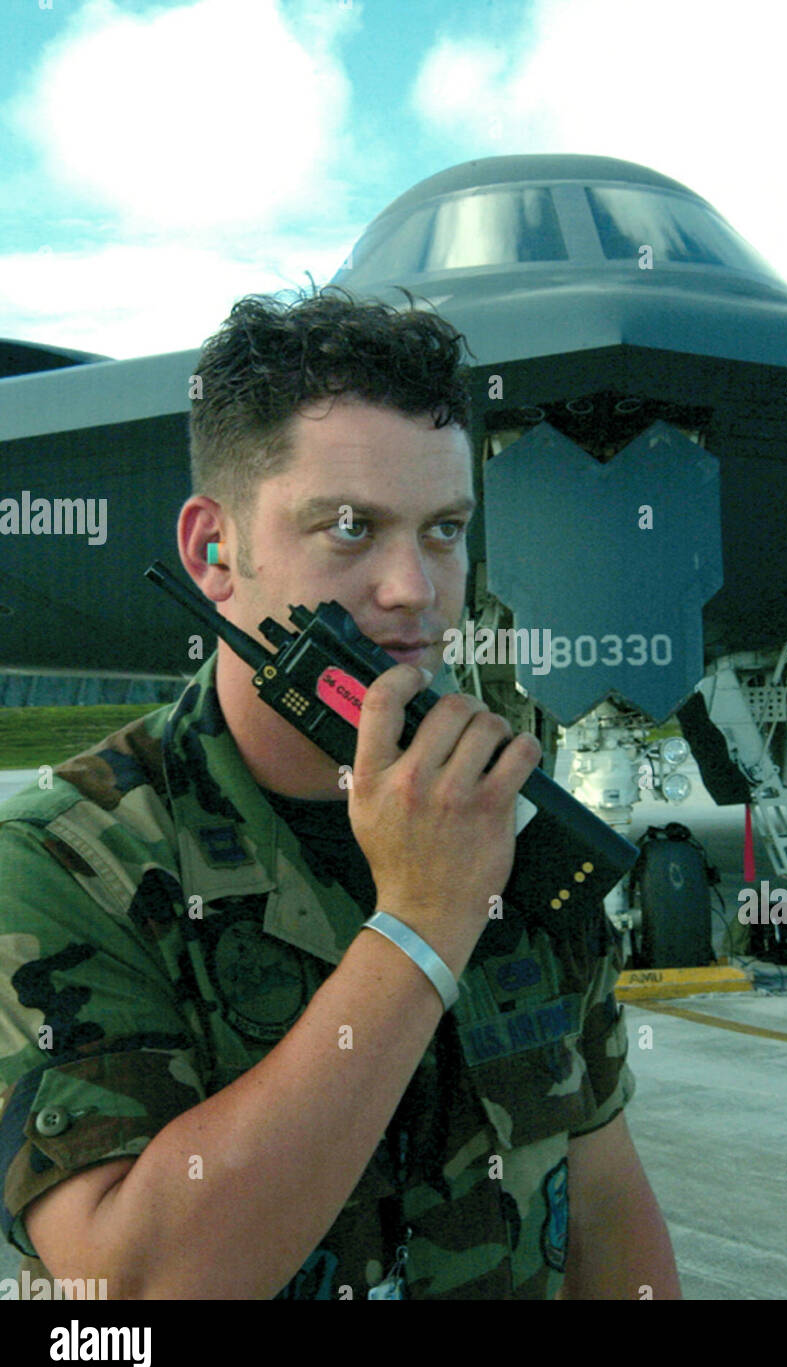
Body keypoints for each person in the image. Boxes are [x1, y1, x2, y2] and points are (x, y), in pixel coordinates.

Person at [0, 286, 680, 1300]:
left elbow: (603, 1204)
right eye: (351, 527)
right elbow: (138, 1286)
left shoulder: (512, 824)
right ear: (212, 552)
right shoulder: (63, 861)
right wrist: (420, 924)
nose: (414, 588)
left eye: (444, 529)